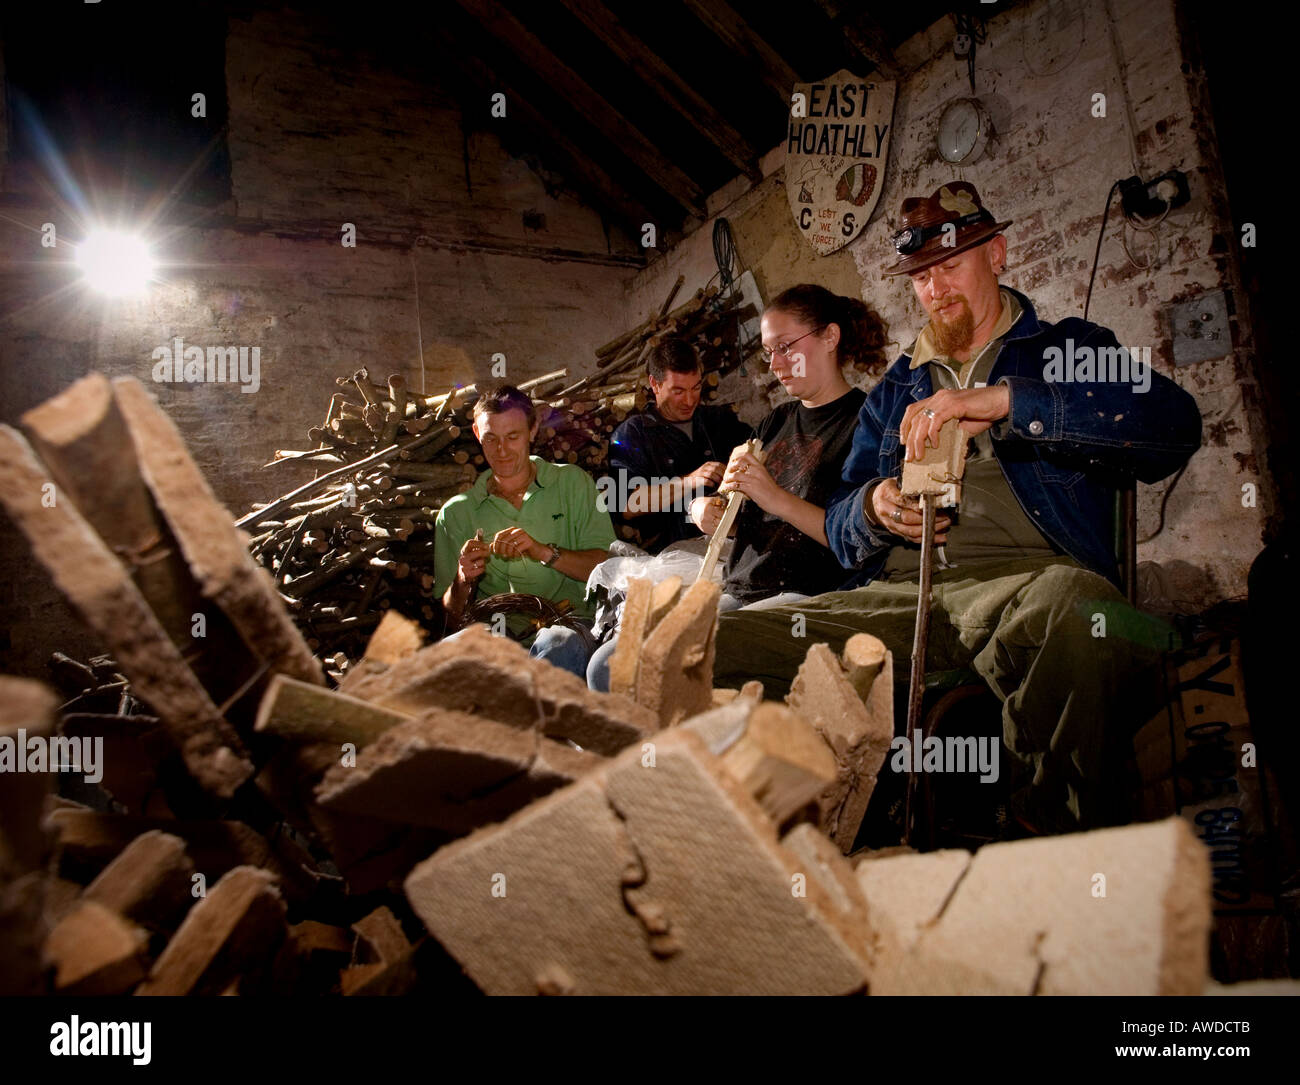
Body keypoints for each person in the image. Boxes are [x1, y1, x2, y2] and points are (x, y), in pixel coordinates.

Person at [712, 182, 1202, 835]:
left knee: (1086, 613)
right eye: (920, 276)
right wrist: (874, 507)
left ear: (996, 255)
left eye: (950, 265)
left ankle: (1050, 850)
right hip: (899, 602)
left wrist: (1005, 403)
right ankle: (774, 861)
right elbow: (837, 520)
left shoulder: (1064, 350)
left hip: (1023, 596)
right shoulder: (897, 387)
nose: (935, 288)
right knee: (711, 645)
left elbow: (1172, 427)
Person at [588, 285, 871, 691]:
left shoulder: (864, 422)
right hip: (739, 582)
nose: (775, 364)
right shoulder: (773, 423)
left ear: (830, 337)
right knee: (606, 665)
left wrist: (770, 494)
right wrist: (711, 513)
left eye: (785, 347)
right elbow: (625, 503)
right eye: (769, 352)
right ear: (653, 386)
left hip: (806, 594)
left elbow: (856, 537)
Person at [434, 384, 615, 678]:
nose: (501, 450)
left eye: (512, 437)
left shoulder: (572, 483)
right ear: (477, 434)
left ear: (533, 430)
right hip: (496, 633)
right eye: (491, 438)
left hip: (570, 622)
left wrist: (543, 552)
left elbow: (606, 568)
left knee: (556, 644)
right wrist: (463, 578)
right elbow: (452, 616)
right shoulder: (455, 513)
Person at [606, 338, 752, 552]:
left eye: (696, 387)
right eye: (678, 391)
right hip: (671, 557)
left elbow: (759, 450)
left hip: (735, 548)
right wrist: (689, 481)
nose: (689, 400)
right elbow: (626, 504)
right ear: (655, 384)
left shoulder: (718, 420)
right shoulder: (632, 434)